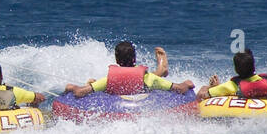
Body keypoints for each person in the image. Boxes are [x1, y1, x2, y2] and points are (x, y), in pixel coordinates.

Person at [65, 41, 194, 97]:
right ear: (134, 59)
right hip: (147, 86)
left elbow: (79, 93)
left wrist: (72, 87)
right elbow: (180, 89)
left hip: (117, 99)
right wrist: (186, 84)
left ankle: (162, 68)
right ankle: (162, 68)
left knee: (152, 79)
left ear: (116, 60)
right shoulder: (148, 78)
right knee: (153, 79)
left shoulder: (110, 80)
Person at [195, 49, 267, 100]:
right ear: (254, 66)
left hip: (236, 97)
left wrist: (211, 87)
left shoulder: (232, 85)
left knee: (206, 88)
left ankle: (215, 85)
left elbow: (201, 95)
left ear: (236, 69)